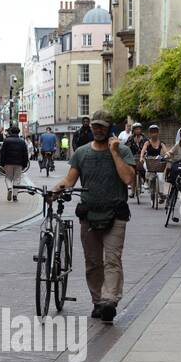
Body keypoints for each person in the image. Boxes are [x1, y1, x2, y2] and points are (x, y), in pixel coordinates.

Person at [53, 109, 137, 323]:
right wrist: (55, 191)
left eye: (102, 126)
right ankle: (98, 301)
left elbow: (128, 178)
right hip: (89, 214)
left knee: (112, 259)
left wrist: (115, 152)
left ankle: (110, 301)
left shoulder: (123, 150)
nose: (97, 129)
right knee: (92, 262)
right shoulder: (81, 152)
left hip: (116, 213)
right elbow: (70, 180)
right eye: (94, 125)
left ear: (110, 128)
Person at [138, 125, 169, 204]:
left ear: (158, 133)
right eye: (152, 132)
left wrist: (167, 155)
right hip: (149, 161)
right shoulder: (147, 142)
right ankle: (147, 182)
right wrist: (141, 157)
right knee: (147, 169)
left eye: (155, 132)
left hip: (158, 162)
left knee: (161, 178)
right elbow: (143, 151)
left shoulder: (161, 143)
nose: (154, 134)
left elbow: (166, 152)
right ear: (150, 133)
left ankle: (161, 194)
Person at [0, 127, 31, 201]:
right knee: (17, 179)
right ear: (18, 132)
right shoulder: (22, 141)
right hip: (19, 163)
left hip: (8, 162)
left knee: (8, 177)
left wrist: (2, 163)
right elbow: (25, 154)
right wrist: (25, 164)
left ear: (10, 132)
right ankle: (15, 196)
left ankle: (9, 188)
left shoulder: (6, 141)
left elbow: (2, 152)